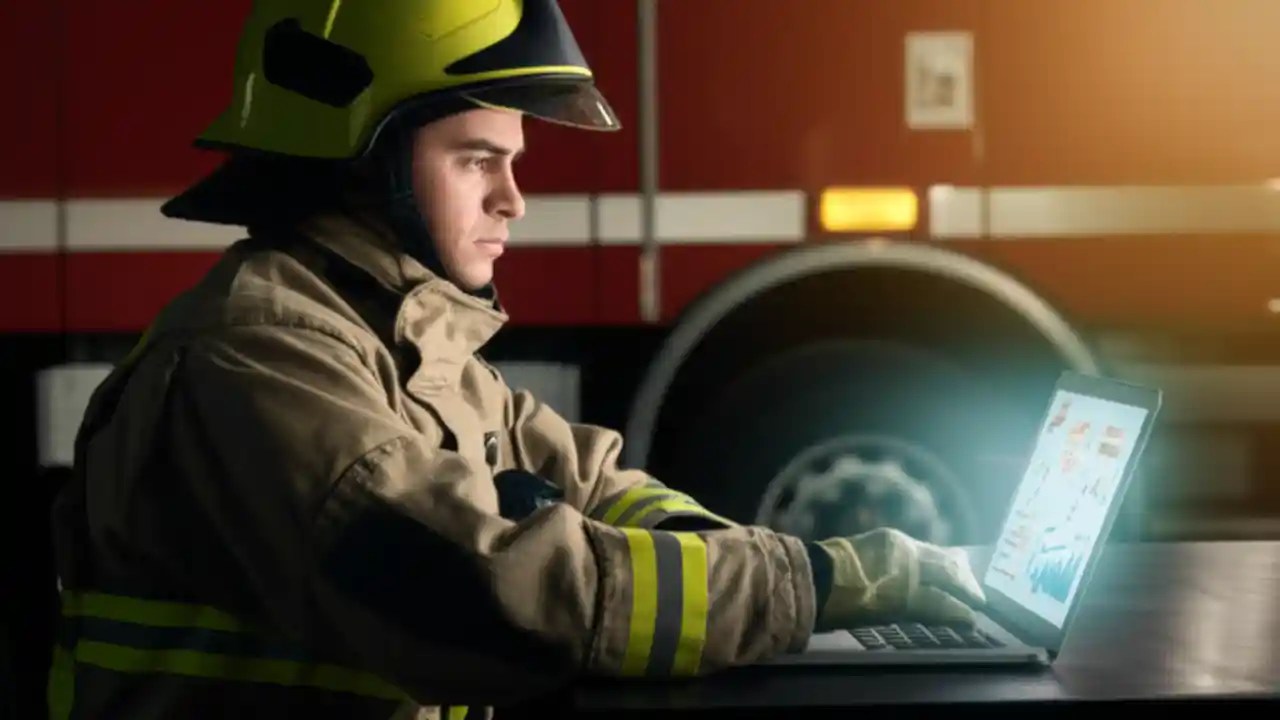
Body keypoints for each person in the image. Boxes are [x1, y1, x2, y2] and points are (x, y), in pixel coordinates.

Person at [46, 1, 987, 718]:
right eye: (474, 159)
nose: (513, 200)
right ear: (360, 162)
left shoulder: (395, 329)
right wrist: (817, 585)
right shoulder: (262, 358)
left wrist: (752, 559)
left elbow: (587, 481)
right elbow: (504, 594)